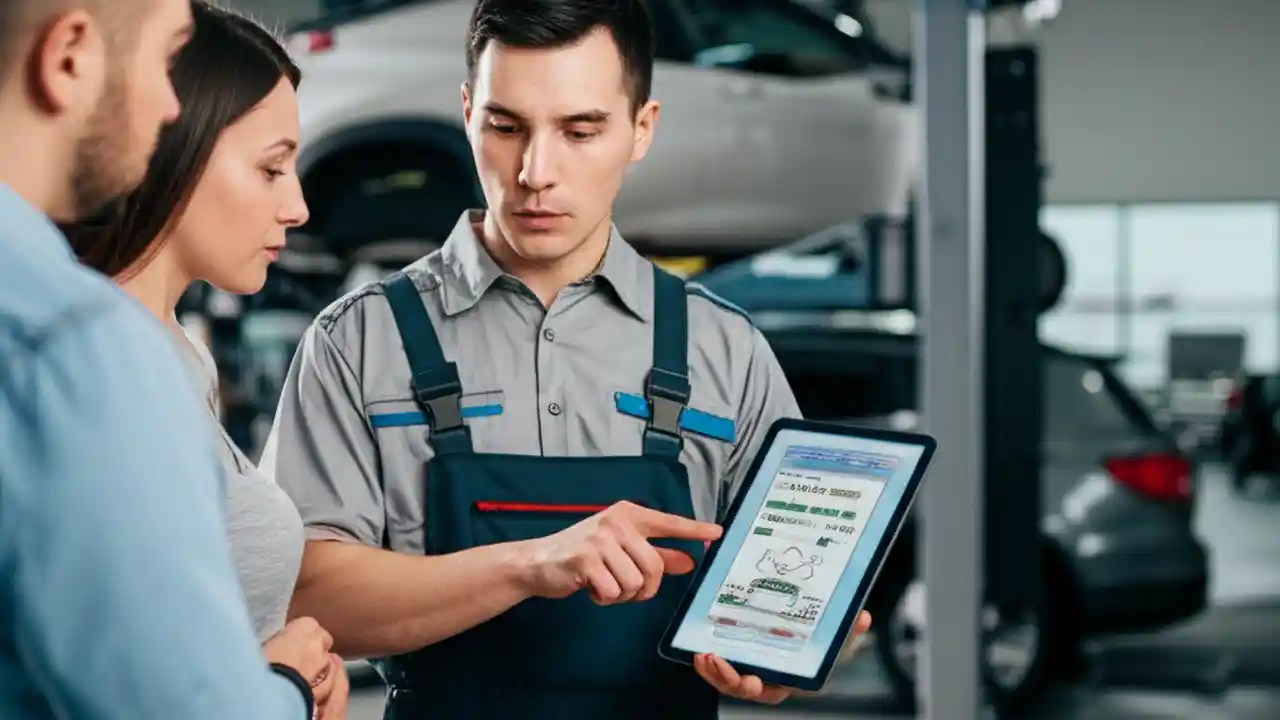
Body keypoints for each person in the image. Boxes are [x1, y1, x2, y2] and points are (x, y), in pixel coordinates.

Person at [262, 0, 871, 718]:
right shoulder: (358, 343)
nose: (535, 172)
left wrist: (803, 652)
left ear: (641, 129)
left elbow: (803, 601)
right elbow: (305, 599)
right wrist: (532, 564)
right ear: (466, 114)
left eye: (580, 130)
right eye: (505, 126)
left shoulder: (726, 353)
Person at [0, 1, 333, 717]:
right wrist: (284, 691)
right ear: (69, 57)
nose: (166, 106)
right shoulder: (80, 352)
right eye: (161, 61)